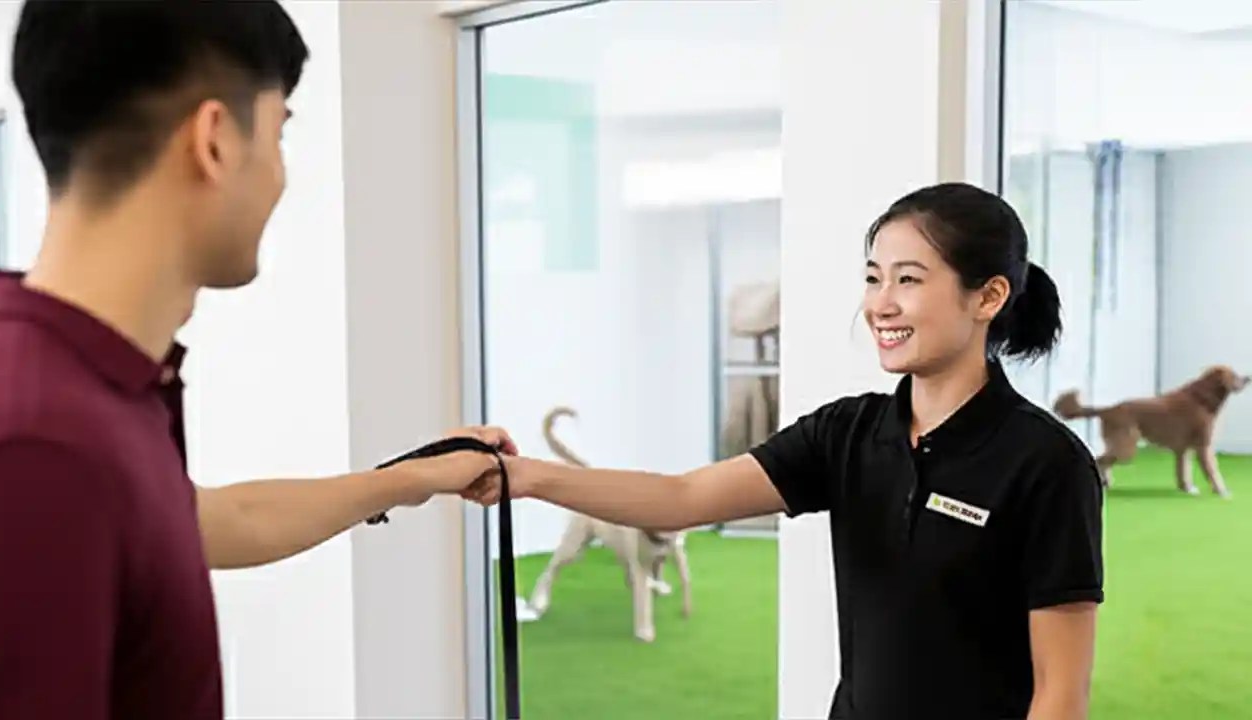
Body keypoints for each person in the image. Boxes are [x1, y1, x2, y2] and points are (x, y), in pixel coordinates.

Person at [0, 3, 511, 718]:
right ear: (217, 141)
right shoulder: (35, 447)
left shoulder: (74, 389)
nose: (282, 175)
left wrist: (412, 478)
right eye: (281, 132)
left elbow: (220, 519)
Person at [468, 182, 1104, 719]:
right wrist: (523, 476)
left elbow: (1060, 694)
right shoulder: (846, 434)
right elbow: (680, 498)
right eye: (873, 278)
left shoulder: (1046, 464)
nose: (880, 304)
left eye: (908, 279)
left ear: (988, 297)